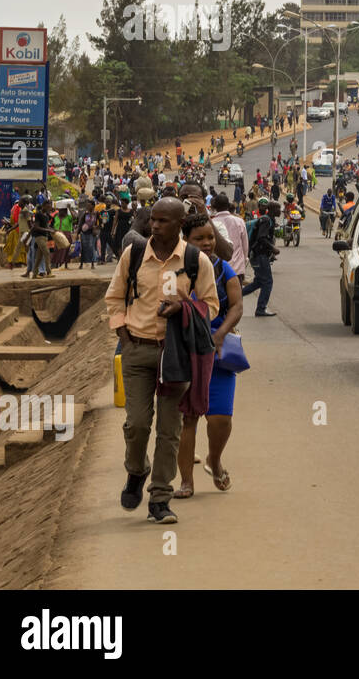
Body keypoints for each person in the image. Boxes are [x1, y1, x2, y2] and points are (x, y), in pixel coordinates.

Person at [104, 198, 219, 524]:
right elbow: (113, 297)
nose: (154, 226)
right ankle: (137, 471)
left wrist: (183, 310)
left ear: (179, 224)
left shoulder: (196, 260)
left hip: (176, 354)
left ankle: (160, 498)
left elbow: (211, 306)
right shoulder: (134, 254)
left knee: (169, 430)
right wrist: (123, 334)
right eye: (153, 220)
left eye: (163, 221)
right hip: (137, 350)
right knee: (137, 424)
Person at [174, 212, 243, 499]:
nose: (206, 243)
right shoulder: (177, 270)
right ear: (185, 241)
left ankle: (214, 461)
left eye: (210, 237)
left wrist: (220, 333)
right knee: (189, 418)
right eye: (199, 238)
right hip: (186, 352)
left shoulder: (224, 269)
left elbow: (237, 306)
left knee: (220, 419)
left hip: (219, 351)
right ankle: (186, 481)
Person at [241, 201, 279, 317]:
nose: (279, 211)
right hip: (260, 255)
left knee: (258, 282)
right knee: (267, 281)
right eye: (277, 208)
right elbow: (261, 238)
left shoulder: (269, 220)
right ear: (272, 209)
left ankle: (233, 296)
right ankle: (261, 308)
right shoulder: (266, 221)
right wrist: (273, 248)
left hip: (258, 255)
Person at [211, 194, 249, 288]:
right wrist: (243, 264)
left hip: (217, 270)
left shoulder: (211, 223)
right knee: (236, 299)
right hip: (237, 269)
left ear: (214, 207)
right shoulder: (239, 221)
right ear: (228, 206)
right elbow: (245, 247)